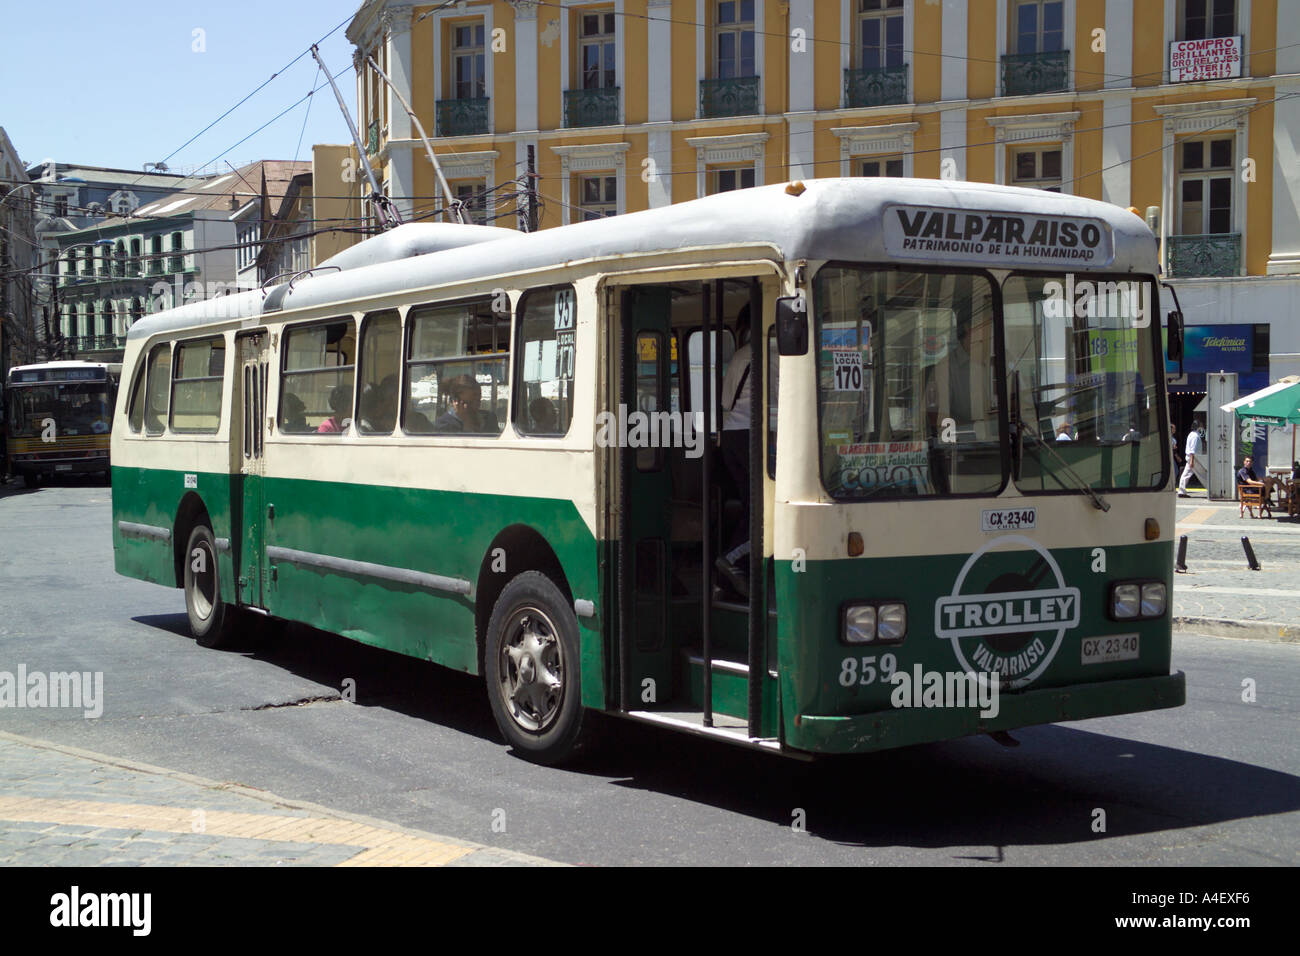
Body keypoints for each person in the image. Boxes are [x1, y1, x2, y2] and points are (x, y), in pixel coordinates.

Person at [717, 304, 752, 597]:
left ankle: (736, 564)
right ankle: (731, 559)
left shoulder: (742, 356)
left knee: (751, 503)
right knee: (762, 511)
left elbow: (726, 403)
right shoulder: (790, 352)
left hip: (732, 438)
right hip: (761, 437)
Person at [1177, 417, 1205, 497]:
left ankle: (1181, 491)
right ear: (1198, 426)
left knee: (1186, 474)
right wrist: (1192, 461)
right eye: (1201, 425)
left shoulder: (1192, 434)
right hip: (1194, 458)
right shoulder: (1195, 436)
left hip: (1191, 458)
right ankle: (1211, 489)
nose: (1202, 426)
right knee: (1203, 474)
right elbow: (1192, 450)